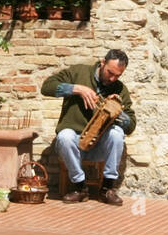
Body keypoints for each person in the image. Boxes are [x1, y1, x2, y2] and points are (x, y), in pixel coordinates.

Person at [41, 49, 135, 204]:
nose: (112, 78)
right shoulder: (78, 72)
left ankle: (106, 188)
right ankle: (79, 187)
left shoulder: (119, 89)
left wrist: (117, 111)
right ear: (102, 62)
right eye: (110, 72)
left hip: (99, 147)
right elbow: (46, 87)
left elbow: (131, 125)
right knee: (65, 136)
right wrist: (76, 89)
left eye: (117, 76)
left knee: (117, 133)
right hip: (74, 144)